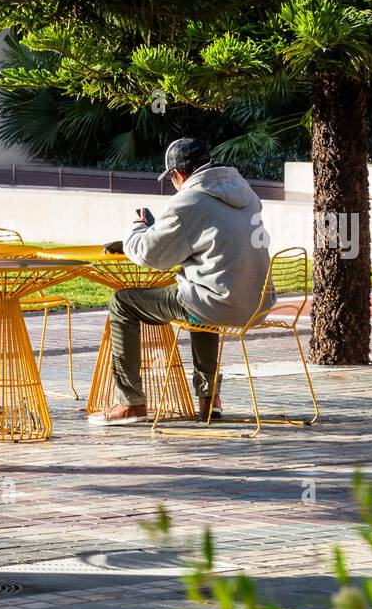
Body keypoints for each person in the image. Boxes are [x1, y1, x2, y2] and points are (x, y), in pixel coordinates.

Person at [91, 137, 276, 426]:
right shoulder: (245, 192)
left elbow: (150, 253)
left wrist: (138, 227)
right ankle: (209, 398)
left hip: (220, 303)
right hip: (257, 303)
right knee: (202, 296)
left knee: (122, 302)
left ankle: (130, 403)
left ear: (178, 175)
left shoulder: (188, 201)